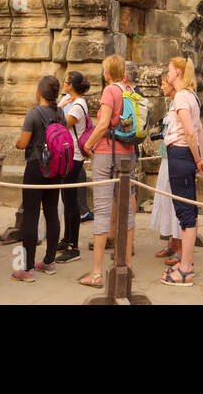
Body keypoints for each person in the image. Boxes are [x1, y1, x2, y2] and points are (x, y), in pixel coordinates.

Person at [78, 54, 135, 288]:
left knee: (101, 210)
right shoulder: (130, 90)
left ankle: (97, 272)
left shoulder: (110, 91)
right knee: (127, 212)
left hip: (106, 153)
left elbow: (102, 125)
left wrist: (87, 144)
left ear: (106, 72)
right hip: (128, 152)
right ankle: (127, 268)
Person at [15, 75, 65, 282]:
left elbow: (23, 142)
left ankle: (27, 268)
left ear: (39, 93)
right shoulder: (60, 113)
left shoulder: (33, 114)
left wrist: (18, 143)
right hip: (55, 167)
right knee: (51, 211)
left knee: (31, 214)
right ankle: (49, 260)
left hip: (36, 166)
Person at [161, 57, 203, 286]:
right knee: (189, 210)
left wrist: (198, 159)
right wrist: (200, 156)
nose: (167, 74)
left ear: (177, 72)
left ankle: (186, 269)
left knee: (186, 213)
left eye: (169, 70)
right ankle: (186, 261)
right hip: (186, 155)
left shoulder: (180, 96)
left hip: (180, 154)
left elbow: (190, 132)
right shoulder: (192, 96)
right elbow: (200, 130)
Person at [150, 70, 185, 266]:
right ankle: (173, 241)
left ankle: (180, 246)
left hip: (176, 156)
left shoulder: (181, 101)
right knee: (166, 197)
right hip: (167, 155)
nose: (161, 86)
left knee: (175, 200)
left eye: (164, 82)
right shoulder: (172, 103)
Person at [56, 72, 90, 263]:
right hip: (68, 154)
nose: (63, 83)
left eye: (65, 81)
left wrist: (60, 107)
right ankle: (66, 238)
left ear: (71, 85)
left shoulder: (77, 105)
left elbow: (61, 124)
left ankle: (73, 246)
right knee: (66, 198)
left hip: (74, 156)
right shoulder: (73, 101)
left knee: (71, 202)